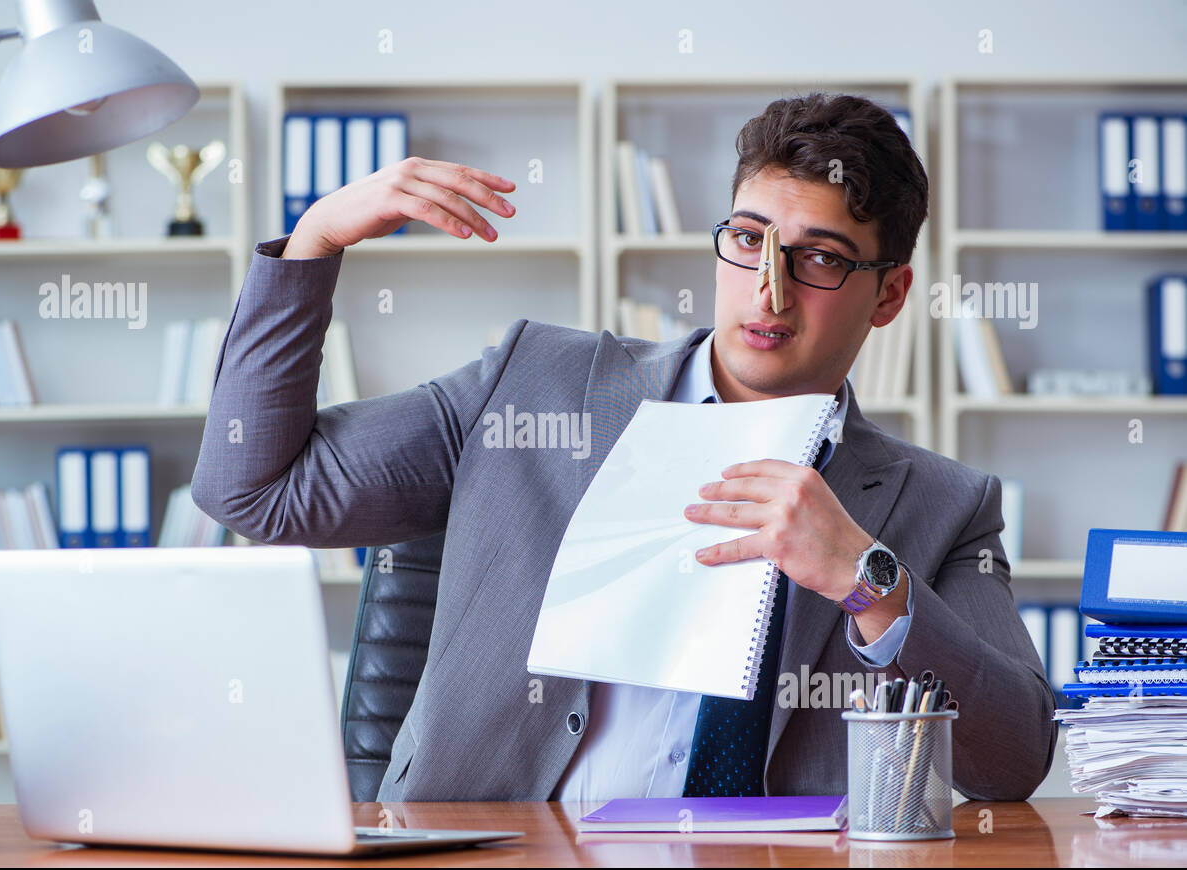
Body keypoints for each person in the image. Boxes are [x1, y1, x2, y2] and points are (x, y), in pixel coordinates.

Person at [191, 92, 1057, 803]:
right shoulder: (532, 387)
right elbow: (253, 488)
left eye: (819, 258)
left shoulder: (946, 507)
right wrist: (312, 244)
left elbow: (1015, 761)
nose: (769, 288)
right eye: (750, 239)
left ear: (890, 294)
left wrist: (868, 579)